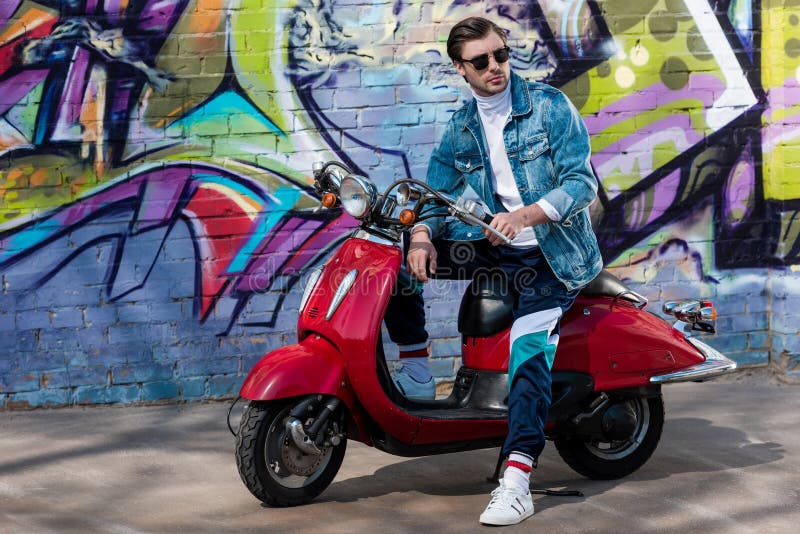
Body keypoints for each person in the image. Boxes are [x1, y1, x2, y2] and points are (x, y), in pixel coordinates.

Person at [383, 16, 603, 526]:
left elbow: (580, 183)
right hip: (496, 245)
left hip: (552, 255)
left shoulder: (548, 106)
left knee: (527, 352)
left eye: (501, 55)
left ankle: (517, 481)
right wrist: (421, 236)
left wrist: (523, 216)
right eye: (481, 61)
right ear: (461, 68)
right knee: (396, 263)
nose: (495, 67)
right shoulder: (461, 127)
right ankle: (417, 372)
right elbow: (434, 194)